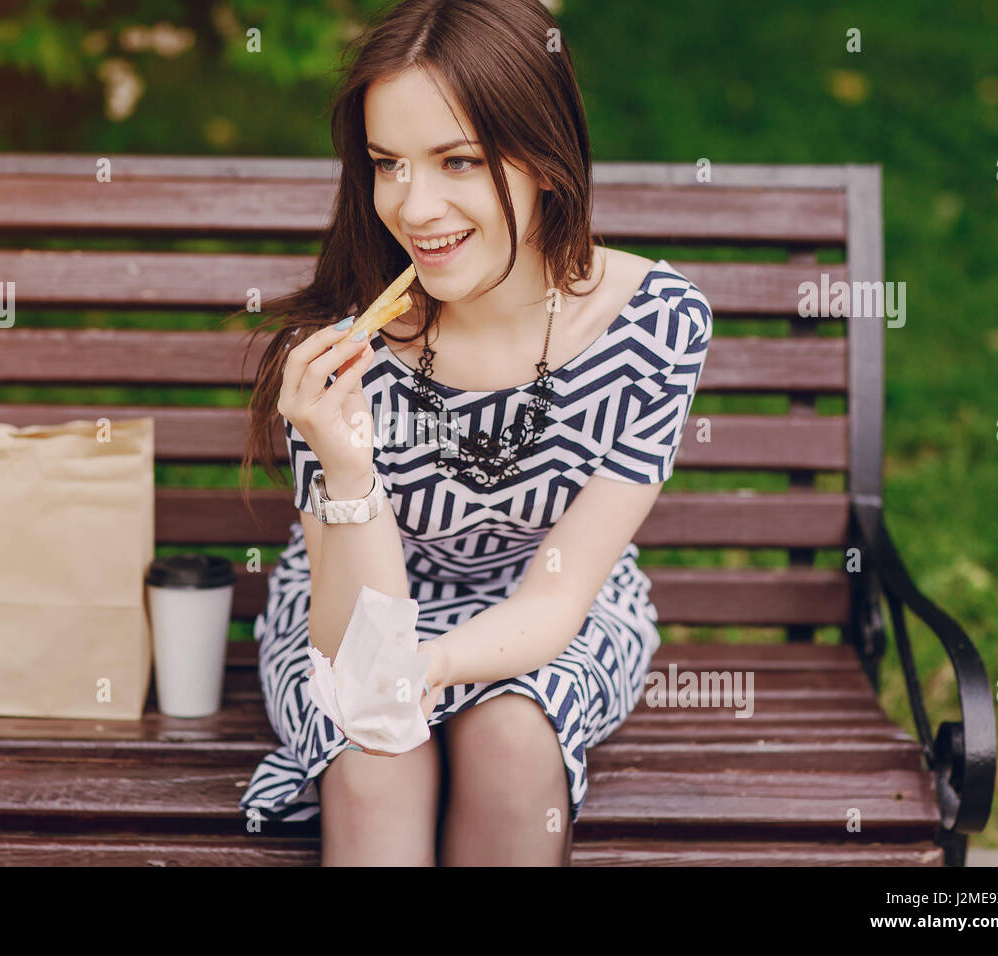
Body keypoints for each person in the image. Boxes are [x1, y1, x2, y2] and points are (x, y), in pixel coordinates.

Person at [237, 0, 713, 866]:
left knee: (511, 734)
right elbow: (360, 647)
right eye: (388, 165)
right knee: (376, 747)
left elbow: (556, 601)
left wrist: (436, 667)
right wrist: (348, 470)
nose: (414, 208)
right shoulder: (345, 347)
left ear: (544, 157)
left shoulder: (655, 326)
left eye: (458, 161)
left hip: (553, 606)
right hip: (352, 604)